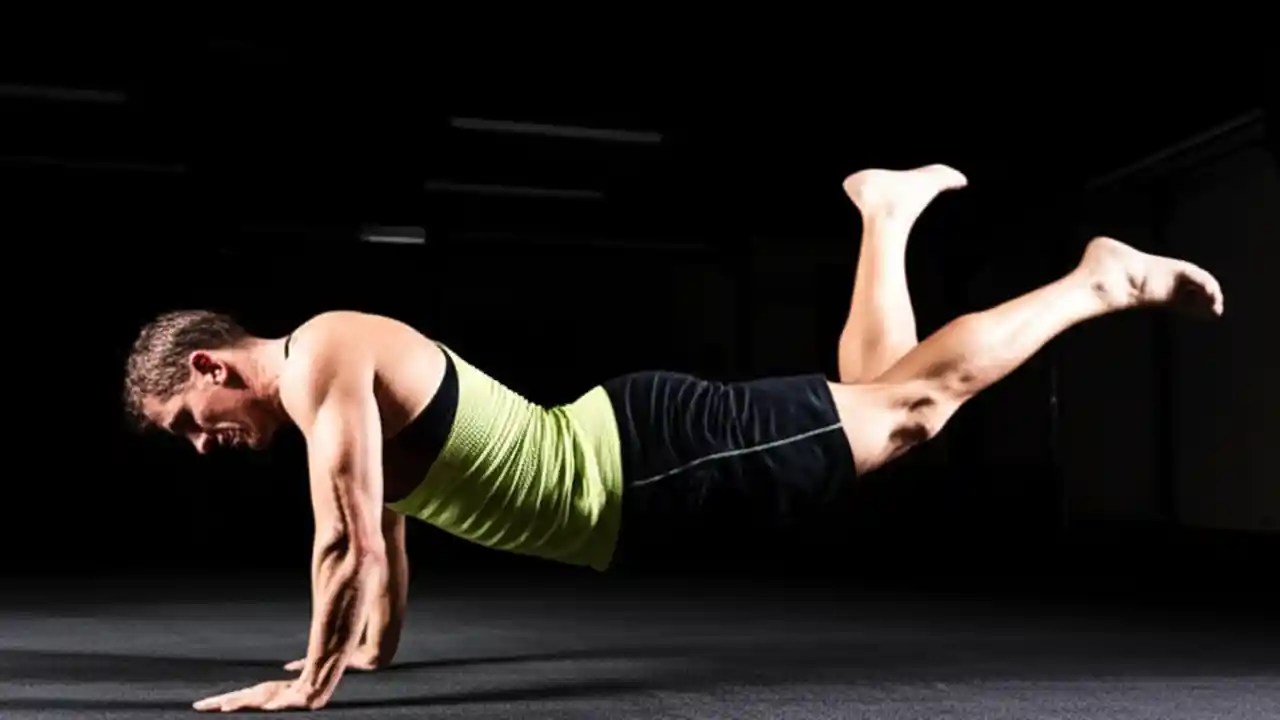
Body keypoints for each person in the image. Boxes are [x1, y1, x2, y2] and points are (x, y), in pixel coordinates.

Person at [121, 164, 1224, 712]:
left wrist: (310, 685)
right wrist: (371, 651)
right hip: (637, 465)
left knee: (911, 414)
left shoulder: (322, 353)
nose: (202, 447)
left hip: (645, 464)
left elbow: (347, 538)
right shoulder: (331, 393)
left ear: (210, 367)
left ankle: (1098, 281)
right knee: (882, 397)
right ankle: (886, 214)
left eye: (189, 426)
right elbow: (393, 533)